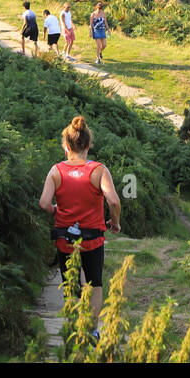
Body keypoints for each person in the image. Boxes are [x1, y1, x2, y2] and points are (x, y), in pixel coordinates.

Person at [38, 116, 121, 334]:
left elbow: (44, 203)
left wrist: (57, 210)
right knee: (94, 284)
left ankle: (74, 330)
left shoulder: (55, 171)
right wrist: (115, 221)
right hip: (93, 239)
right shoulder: (99, 170)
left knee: (70, 286)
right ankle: (91, 331)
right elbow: (113, 200)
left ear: (66, 147)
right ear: (88, 145)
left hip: (65, 239)